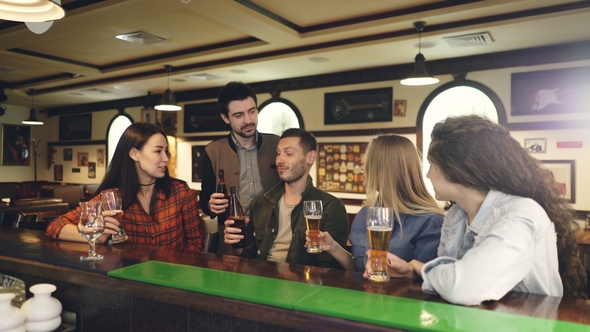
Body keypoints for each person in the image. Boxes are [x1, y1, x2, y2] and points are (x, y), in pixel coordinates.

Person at [372, 115, 587, 305]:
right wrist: (412, 272)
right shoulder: (455, 217)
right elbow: (454, 279)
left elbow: (462, 288)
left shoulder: (521, 215)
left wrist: (421, 268)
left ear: (456, 169)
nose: (427, 175)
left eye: (431, 165)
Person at [46, 122, 205, 252]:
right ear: (134, 154)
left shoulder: (180, 192)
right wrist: (95, 233)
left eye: (166, 151)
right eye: (158, 151)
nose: (165, 158)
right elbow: (55, 226)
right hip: (129, 279)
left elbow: (196, 245)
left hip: (173, 279)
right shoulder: (112, 197)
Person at [312, 134, 444, 271]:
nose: (362, 167)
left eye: (368, 161)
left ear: (386, 169)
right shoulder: (364, 214)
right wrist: (333, 248)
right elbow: (358, 270)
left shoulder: (430, 222)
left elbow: (427, 281)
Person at [224, 128, 349, 268]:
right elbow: (249, 257)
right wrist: (237, 244)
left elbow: (329, 269)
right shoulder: (260, 203)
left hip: (303, 285)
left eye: (288, 153)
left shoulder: (331, 207)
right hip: (261, 281)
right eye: (278, 153)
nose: (279, 160)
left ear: (311, 157)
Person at [199, 81, 281, 254]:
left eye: (252, 111)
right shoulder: (212, 151)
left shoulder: (276, 144)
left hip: (275, 237)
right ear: (225, 117)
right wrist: (210, 204)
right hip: (232, 238)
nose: (248, 120)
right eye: (239, 115)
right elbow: (205, 198)